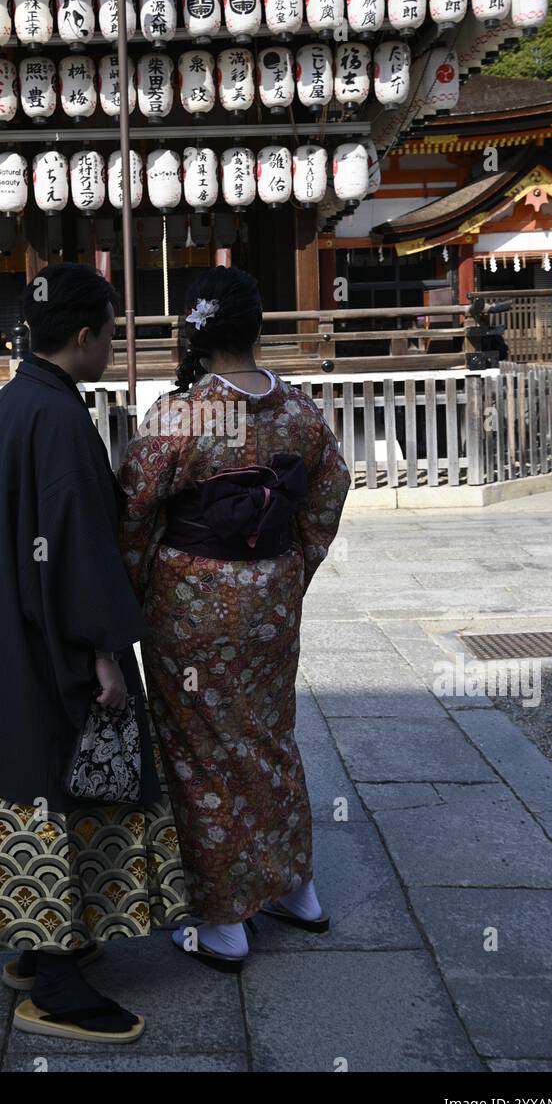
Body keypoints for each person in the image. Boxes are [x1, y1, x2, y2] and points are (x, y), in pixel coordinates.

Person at [0, 264, 190, 1044]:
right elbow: (75, 548)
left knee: (28, 782)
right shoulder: (63, 422)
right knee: (64, 791)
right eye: (111, 331)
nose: (114, 343)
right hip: (54, 647)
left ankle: (40, 953)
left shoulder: (6, 408)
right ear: (84, 338)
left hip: (4, 632)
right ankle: (59, 986)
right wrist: (103, 653)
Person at [117, 266, 351, 973]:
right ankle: (297, 889)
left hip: (191, 603)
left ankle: (224, 924)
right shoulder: (301, 412)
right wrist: (289, 570)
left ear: (193, 330)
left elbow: (134, 516)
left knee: (202, 752)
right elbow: (329, 494)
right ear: (256, 328)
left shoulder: (177, 414)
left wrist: (135, 591)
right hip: (272, 599)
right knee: (269, 735)